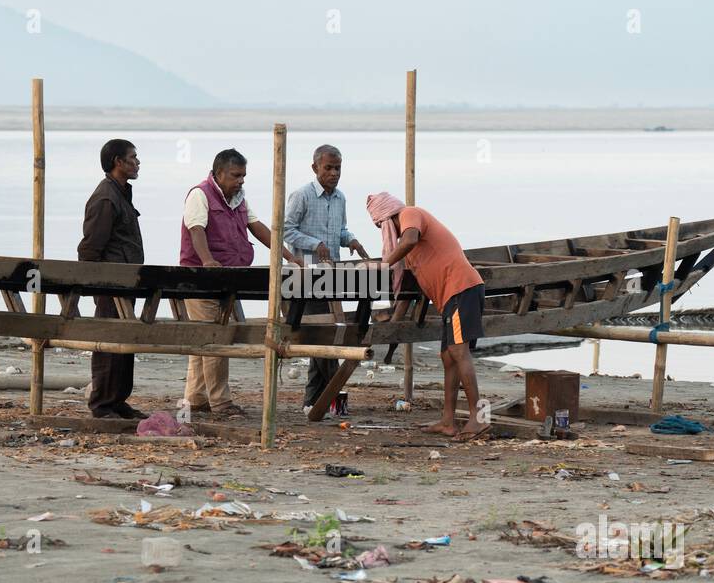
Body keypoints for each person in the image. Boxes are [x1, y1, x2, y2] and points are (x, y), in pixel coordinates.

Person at [180, 148, 298, 418]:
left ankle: (195, 398)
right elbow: (196, 229)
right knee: (215, 339)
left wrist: (288, 256)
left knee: (204, 340)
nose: (241, 180)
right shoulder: (200, 194)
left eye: (243, 175)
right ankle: (220, 402)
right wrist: (208, 260)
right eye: (236, 175)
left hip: (228, 280)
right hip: (199, 280)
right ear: (219, 173)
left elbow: (258, 229)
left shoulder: (239, 200)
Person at [368, 192, 488, 440]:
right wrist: (392, 327)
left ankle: (479, 419)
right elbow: (409, 296)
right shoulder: (409, 253)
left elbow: (410, 238)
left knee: (458, 351)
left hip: (462, 289)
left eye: (381, 225)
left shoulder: (410, 214)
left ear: (388, 216)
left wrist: (383, 264)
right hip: (449, 300)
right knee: (447, 356)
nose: (383, 230)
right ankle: (448, 421)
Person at [284, 144, 371, 415]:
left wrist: (352, 240)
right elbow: (286, 231)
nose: (334, 173)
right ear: (315, 168)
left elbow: (340, 230)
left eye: (338, 168)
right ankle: (335, 393)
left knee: (324, 336)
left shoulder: (341, 198)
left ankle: (313, 401)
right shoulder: (302, 195)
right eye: (328, 168)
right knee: (322, 337)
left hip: (331, 276)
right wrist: (314, 243)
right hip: (305, 278)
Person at [77, 139, 147, 419]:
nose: (137, 162)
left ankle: (117, 400)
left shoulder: (120, 193)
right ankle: (102, 404)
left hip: (126, 281)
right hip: (110, 282)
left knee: (124, 341)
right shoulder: (106, 197)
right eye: (133, 157)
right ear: (118, 162)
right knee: (108, 342)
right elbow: (90, 248)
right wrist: (96, 283)